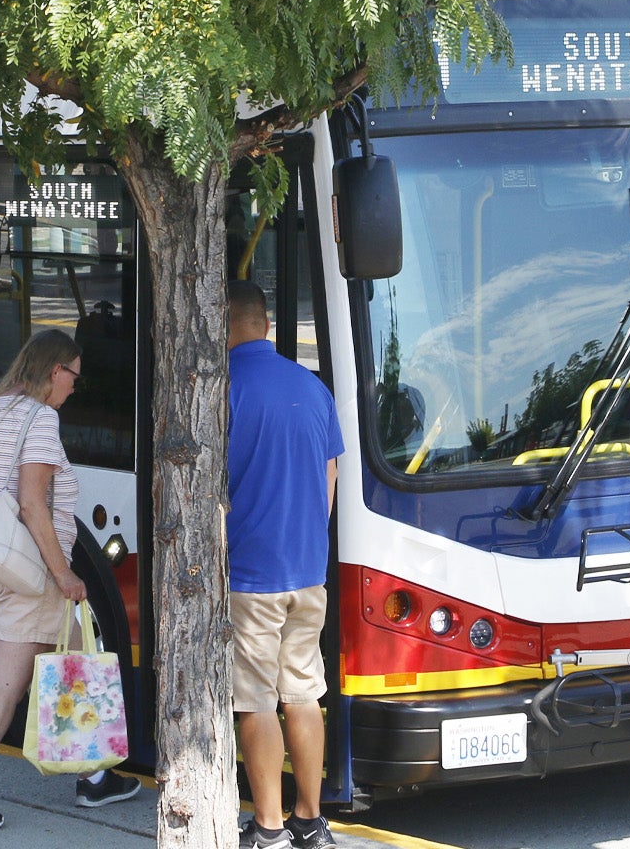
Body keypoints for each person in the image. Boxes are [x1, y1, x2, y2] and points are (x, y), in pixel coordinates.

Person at [0, 328, 143, 832]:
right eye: (73, 378)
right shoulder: (40, 419)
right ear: (55, 370)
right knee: (4, 686)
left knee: (76, 656)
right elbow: (33, 502)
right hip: (33, 572)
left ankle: (96, 775)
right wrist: (65, 574)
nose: (74, 389)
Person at [224, 281, 345, 849]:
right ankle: (309, 819)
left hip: (251, 574)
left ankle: (268, 827)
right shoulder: (313, 388)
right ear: (266, 324)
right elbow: (329, 478)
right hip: (308, 570)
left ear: (223, 325)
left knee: (254, 700)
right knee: (303, 692)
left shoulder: (221, 389)